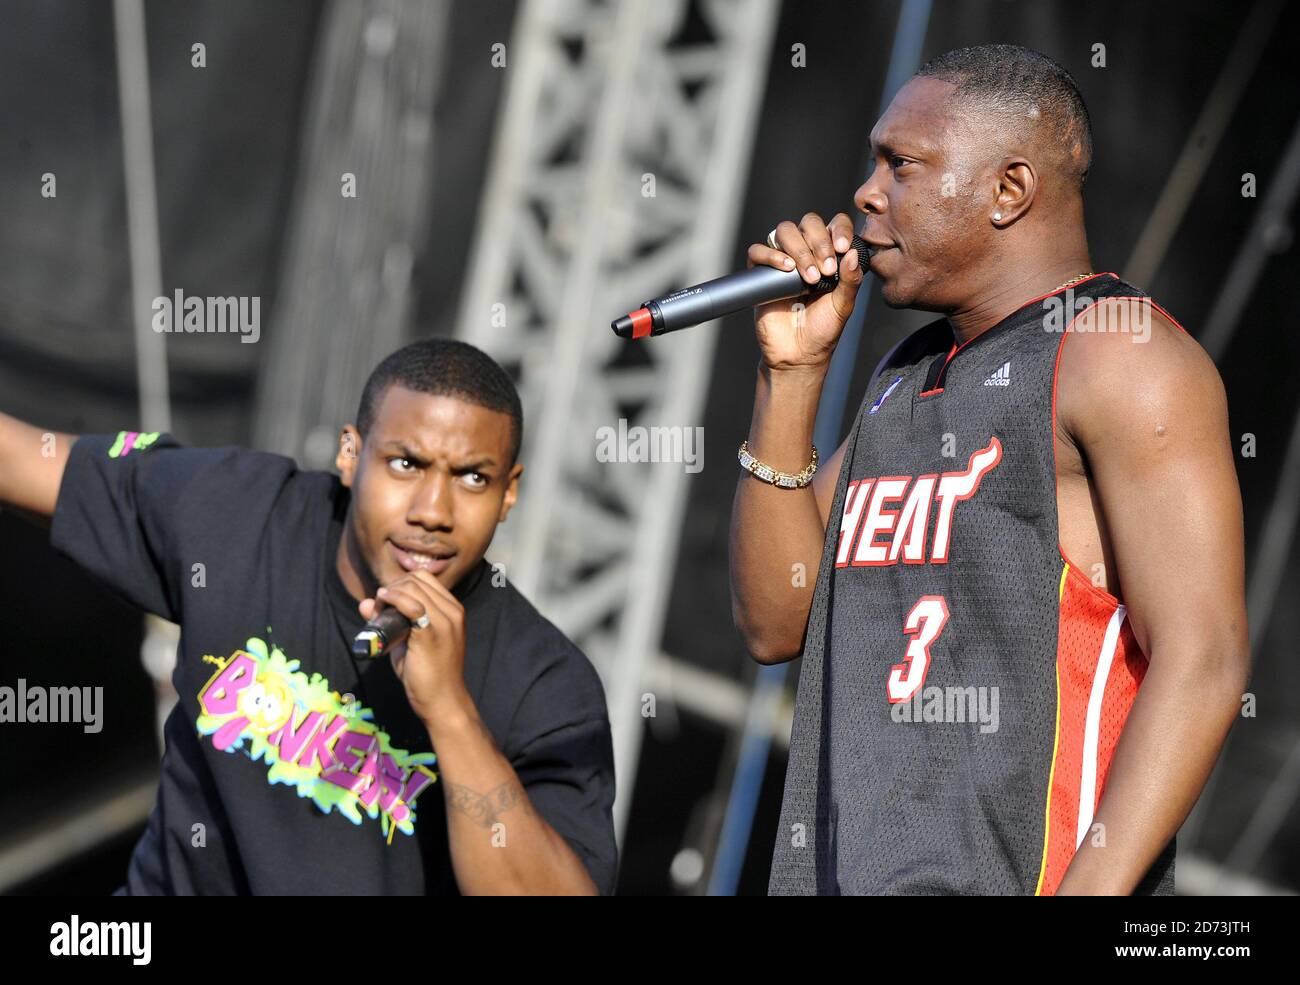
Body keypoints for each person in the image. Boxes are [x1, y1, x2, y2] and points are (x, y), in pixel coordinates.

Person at [729, 44, 1250, 895]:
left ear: (1010, 190)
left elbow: (1206, 657)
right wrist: (790, 377)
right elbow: (775, 621)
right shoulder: (904, 375)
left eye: (902, 164)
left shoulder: (1120, 355)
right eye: (874, 162)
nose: (866, 192)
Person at [0, 338, 616, 894]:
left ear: (508, 493)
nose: (433, 510)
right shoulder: (242, 513)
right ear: (351, 454)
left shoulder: (545, 685)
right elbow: (35, 467)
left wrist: (451, 713)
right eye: (406, 464)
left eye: (472, 478)